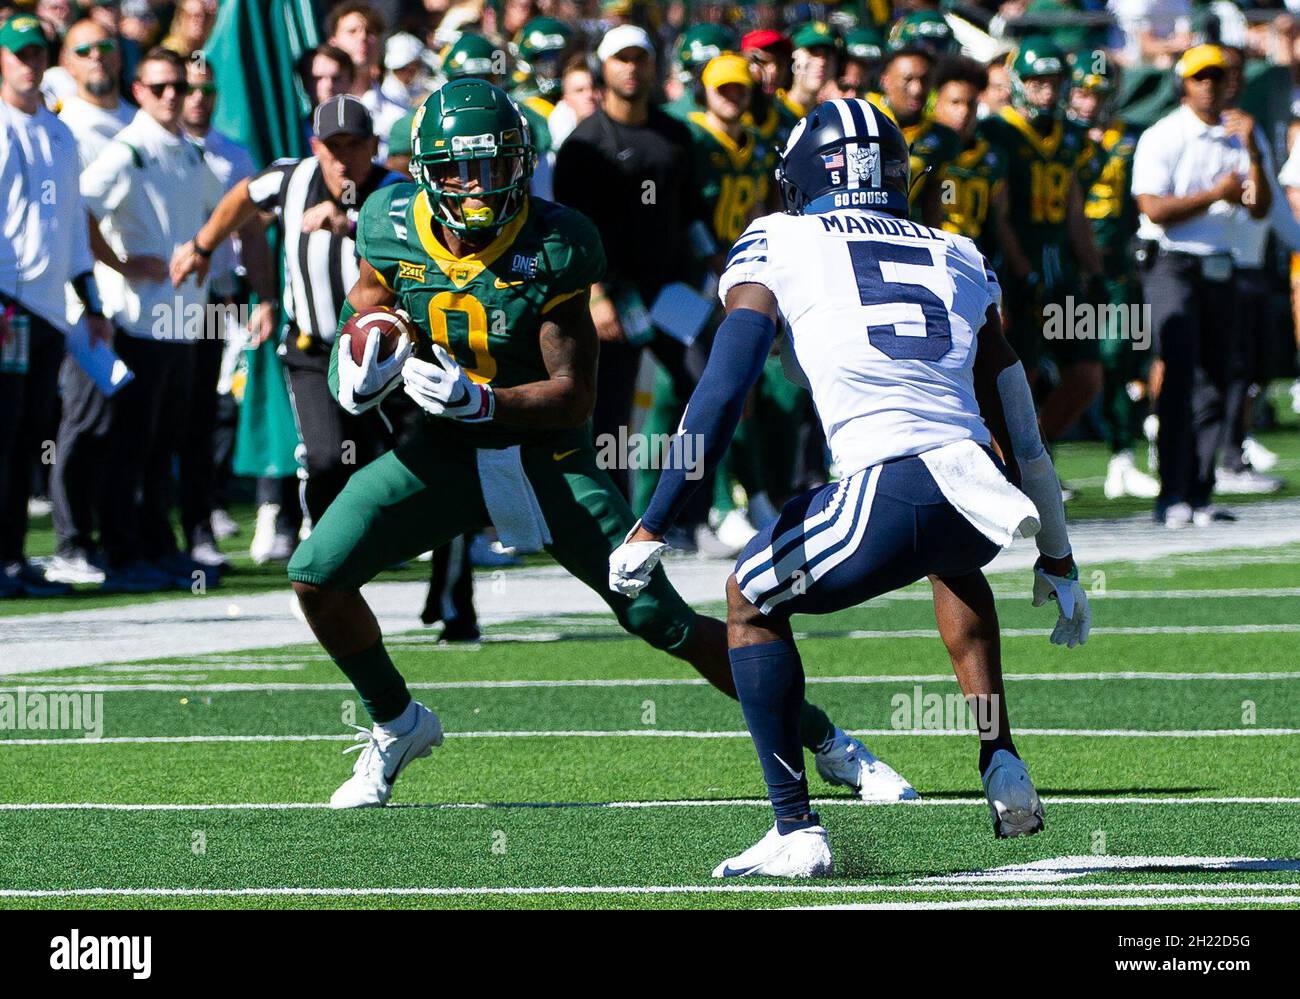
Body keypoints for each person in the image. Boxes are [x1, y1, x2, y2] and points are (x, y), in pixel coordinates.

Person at [285, 79, 905, 810]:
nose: (479, 187)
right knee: (316, 574)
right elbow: (370, 303)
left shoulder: (555, 240)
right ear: (426, 171)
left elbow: (573, 393)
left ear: (522, 164)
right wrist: (357, 361)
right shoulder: (389, 219)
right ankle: (398, 723)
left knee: (662, 619)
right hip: (444, 452)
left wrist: (484, 398)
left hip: (546, 459)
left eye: (495, 166)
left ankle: (828, 741)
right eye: (460, 169)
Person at [610, 98, 1092, 878]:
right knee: (950, 557)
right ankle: (1000, 758)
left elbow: (725, 384)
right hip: (979, 487)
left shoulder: (779, 235)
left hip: (895, 481)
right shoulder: (959, 250)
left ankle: (795, 827)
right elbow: (1021, 419)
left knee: (748, 598)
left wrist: (656, 517)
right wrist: (1060, 555)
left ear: (802, 177)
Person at [171, 95, 404, 529]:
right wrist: (204, 246)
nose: (342, 159)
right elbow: (243, 196)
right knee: (327, 457)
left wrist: (349, 225)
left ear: (374, 145)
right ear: (316, 146)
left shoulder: (395, 190)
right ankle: (316, 547)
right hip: (312, 350)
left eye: (354, 145)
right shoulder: (293, 178)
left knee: (384, 461)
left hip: (382, 357)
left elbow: (404, 235)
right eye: (333, 147)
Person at [81, 45, 225, 591]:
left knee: (164, 443)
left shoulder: (186, 152)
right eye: (160, 87)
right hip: (139, 323)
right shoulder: (130, 150)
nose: (173, 96)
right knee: (131, 447)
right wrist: (118, 261)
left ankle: (157, 545)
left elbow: (227, 205)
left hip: (182, 324)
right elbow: (81, 206)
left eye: (180, 88)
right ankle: (122, 551)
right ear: (138, 91)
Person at [1131, 44, 1272, 527]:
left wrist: (1253, 150)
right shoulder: (1164, 134)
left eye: (1217, 76)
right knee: (1182, 376)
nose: (1210, 85)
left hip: (1220, 263)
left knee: (1218, 379)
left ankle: (1200, 491)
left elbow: (1259, 207)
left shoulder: (1241, 133)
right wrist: (1216, 193)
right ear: (1183, 84)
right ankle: (1172, 494)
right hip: (1172, 264)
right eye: (1200, 77)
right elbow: (1152, 209)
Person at [0, 12, 111, 598]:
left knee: (26, 436)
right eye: (18, 52)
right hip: (6, 303)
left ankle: (14, 556)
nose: (29, 61)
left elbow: (71, 225)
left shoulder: (59, 131)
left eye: (38, 51)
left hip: (45, 307)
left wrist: (90, 300)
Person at [45, 17, 138, 587]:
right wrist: (109, 274)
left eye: (106, 46)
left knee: (125, 432)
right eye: (84, 49)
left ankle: (110, 539)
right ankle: (68, 543)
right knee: (80, 424)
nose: (98, 57)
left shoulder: (133, 120)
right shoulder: (63, 126)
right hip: (80, 300)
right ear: (68, 60)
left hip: (139, 306)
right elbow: (74, 217)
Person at [979, 36, 1105, 450]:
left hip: (1060, 271)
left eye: (1053, 82)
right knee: (1021, 373)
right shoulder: (997, 132)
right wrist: (1020, 268)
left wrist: (1094, 269)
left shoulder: (1070, 136)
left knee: (1087, 371)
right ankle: (1013, 462)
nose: (1047, 91)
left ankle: (1037, 452)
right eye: (1037, 83)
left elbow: (1074, 210)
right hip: (1018, 270)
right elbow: (999, 215)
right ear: (1018, 84)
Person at [1067, 53, 1162, 502]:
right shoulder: (1060, 140)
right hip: (1070, 269)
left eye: (1098, 93)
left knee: (1120, 353)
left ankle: (1123, 456)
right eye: (1083, 92)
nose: (1090, 103)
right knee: (1062, 365)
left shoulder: (1132, 138)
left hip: (1117, 267)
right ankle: (1036, 463)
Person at [178, 54, 259, 569]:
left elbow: (250, 230)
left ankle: (201, 522)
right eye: (189, 88)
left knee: (206, 412)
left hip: (215, 298)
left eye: (207, 90)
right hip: (160, 298)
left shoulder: (233, 154)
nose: (197, 98)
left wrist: (258, 296)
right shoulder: (153, 146)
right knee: (159, 417)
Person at [868, 45, 960, 227]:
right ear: (885, 80)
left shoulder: (943, 138)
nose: (917, 89)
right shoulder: (864, 116)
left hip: (907, 233)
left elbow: (937, 202)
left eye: (924, 80)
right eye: (907, 79)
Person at [932, 55, 1004, 248]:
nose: (963, 112)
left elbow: (999, 221)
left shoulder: (991, 157)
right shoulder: (922, 151)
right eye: (954, 103)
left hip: (973, 257)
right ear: (936, 101)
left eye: (970, 104)